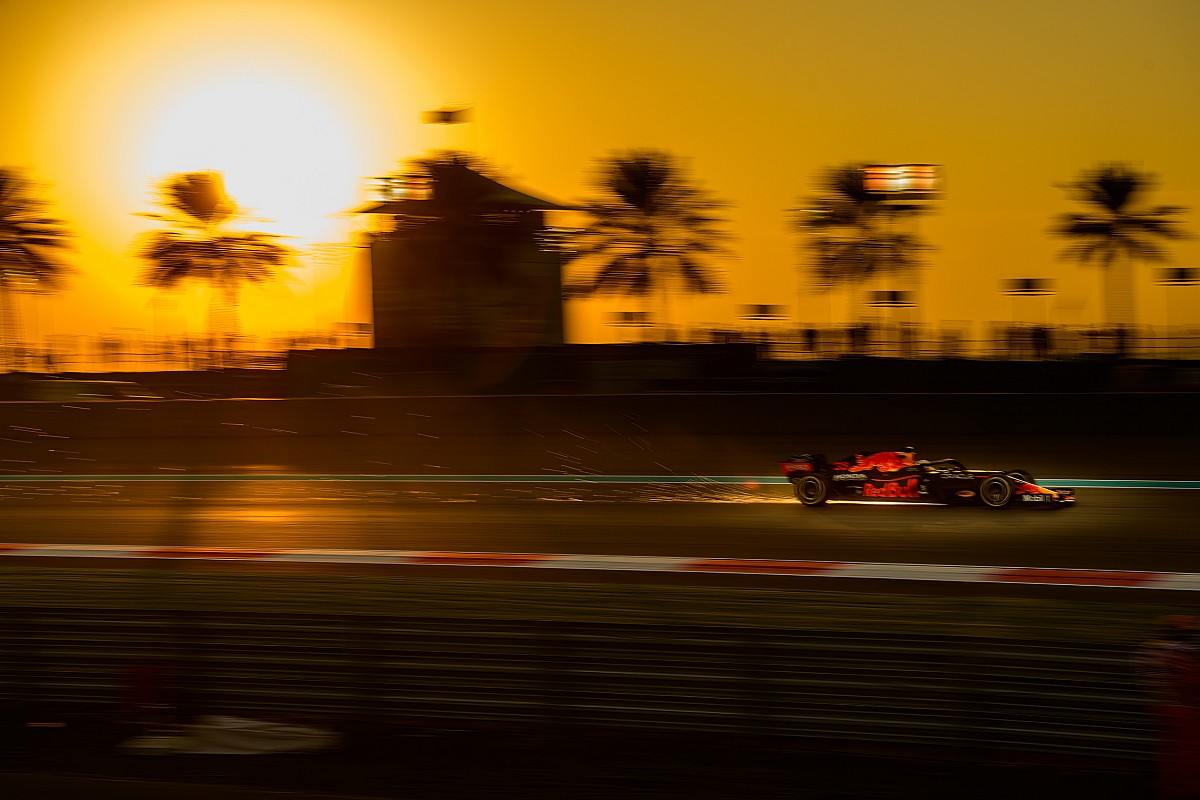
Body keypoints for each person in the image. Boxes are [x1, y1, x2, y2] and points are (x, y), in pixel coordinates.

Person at [1134, 616, 1200, 798]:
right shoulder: (1182, 654)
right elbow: (1193, 683)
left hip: (1158, 705)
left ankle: (1170, 788)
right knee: (1191, 752)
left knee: (1169, 749)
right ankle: (1190, 790)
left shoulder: (1147, 650)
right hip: (1184, 709)